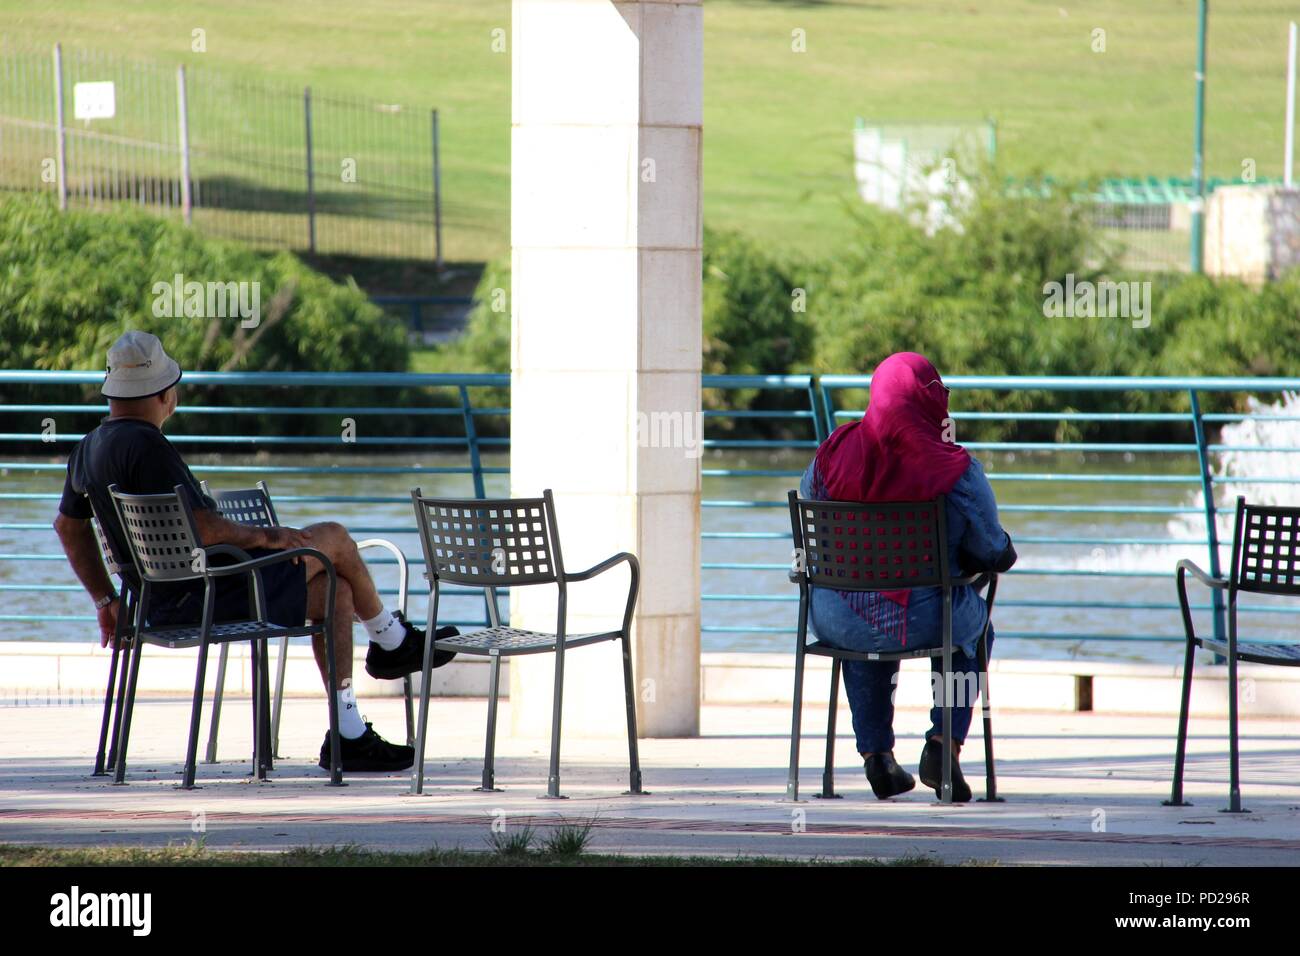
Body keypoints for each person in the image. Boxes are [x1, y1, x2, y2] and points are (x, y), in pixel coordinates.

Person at [53, 331, 456, 774]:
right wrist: (268, 537)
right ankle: (390, 639)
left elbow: (68, 526)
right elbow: (202, 528)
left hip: (161, 603)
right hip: (216, 595)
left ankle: (349, 733)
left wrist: (105, 599)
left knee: (338, 591)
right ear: (167, 395)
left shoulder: (87, 448)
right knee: (335, 537)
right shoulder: (147, 445)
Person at [799, 352, 1016, 802]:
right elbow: (994, 549)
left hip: (834, 617)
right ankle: (943, 745)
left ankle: (877, 756)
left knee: (865, 607)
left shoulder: (831, 452)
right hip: (921, 617)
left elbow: (811, 513)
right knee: (971, 626)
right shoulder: (954, 468)